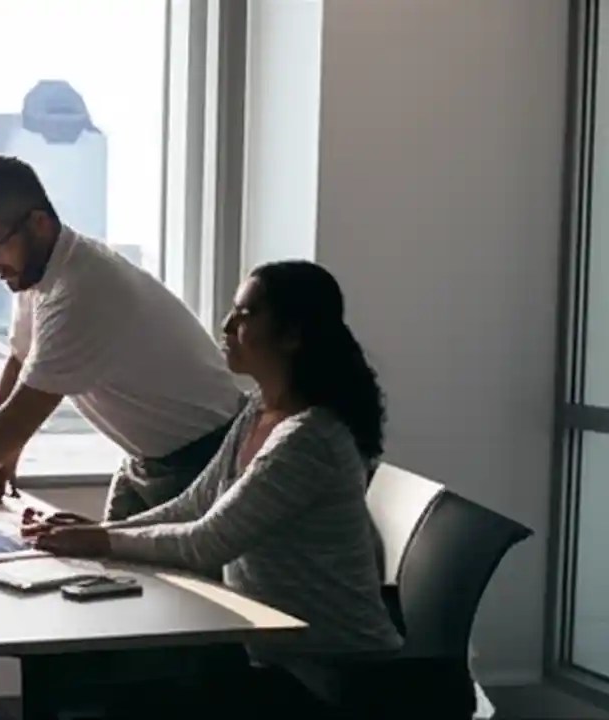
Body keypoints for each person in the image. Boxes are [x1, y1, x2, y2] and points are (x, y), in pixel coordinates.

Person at [25, 261, 404, 717]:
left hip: (326, 672)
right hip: (266, 650)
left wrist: (100, 540)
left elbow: (207, 542)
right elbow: (194, 505)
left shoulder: (310, 438)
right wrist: (102, 530)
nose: (227, 325)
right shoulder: (258, 410)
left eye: (245, 315)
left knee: (122, 695)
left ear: (291, 335)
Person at [0, 156, 243, 516]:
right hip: (144, 457)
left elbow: (23, 413)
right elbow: (20, 361)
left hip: (207, 456)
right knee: (105, 566)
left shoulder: (82, 287)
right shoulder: (35, 274)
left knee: (160, 571)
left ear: (38, 223)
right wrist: (4, 460)